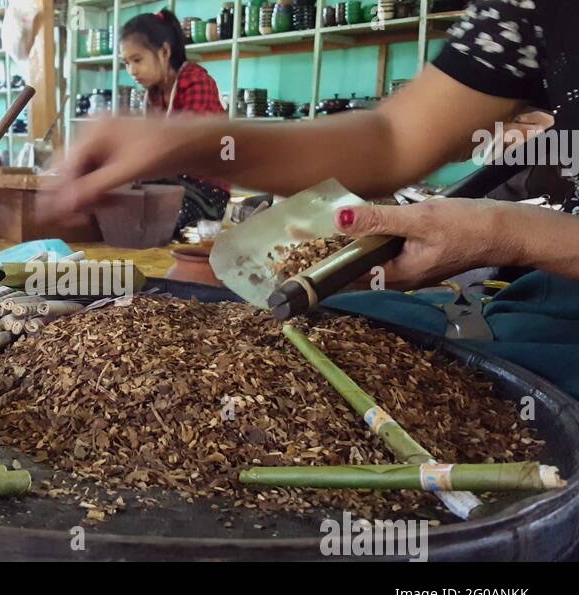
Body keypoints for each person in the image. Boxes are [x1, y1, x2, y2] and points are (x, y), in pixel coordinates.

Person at [45, 1, 579, 398]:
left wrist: (504, 234)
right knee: (338, 322)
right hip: (547, 295)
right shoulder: (530, 10)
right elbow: (393, 138)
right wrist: (193, 142)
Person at [119, 9, 229, 238]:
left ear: (165, 52)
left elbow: (192, 145)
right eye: (126, 63)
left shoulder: (196, 81)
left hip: (206, 188)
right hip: (172, 181)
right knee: (120, 203)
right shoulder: (153, 94)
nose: (131, 71)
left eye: (137, 60)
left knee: (155, 222)